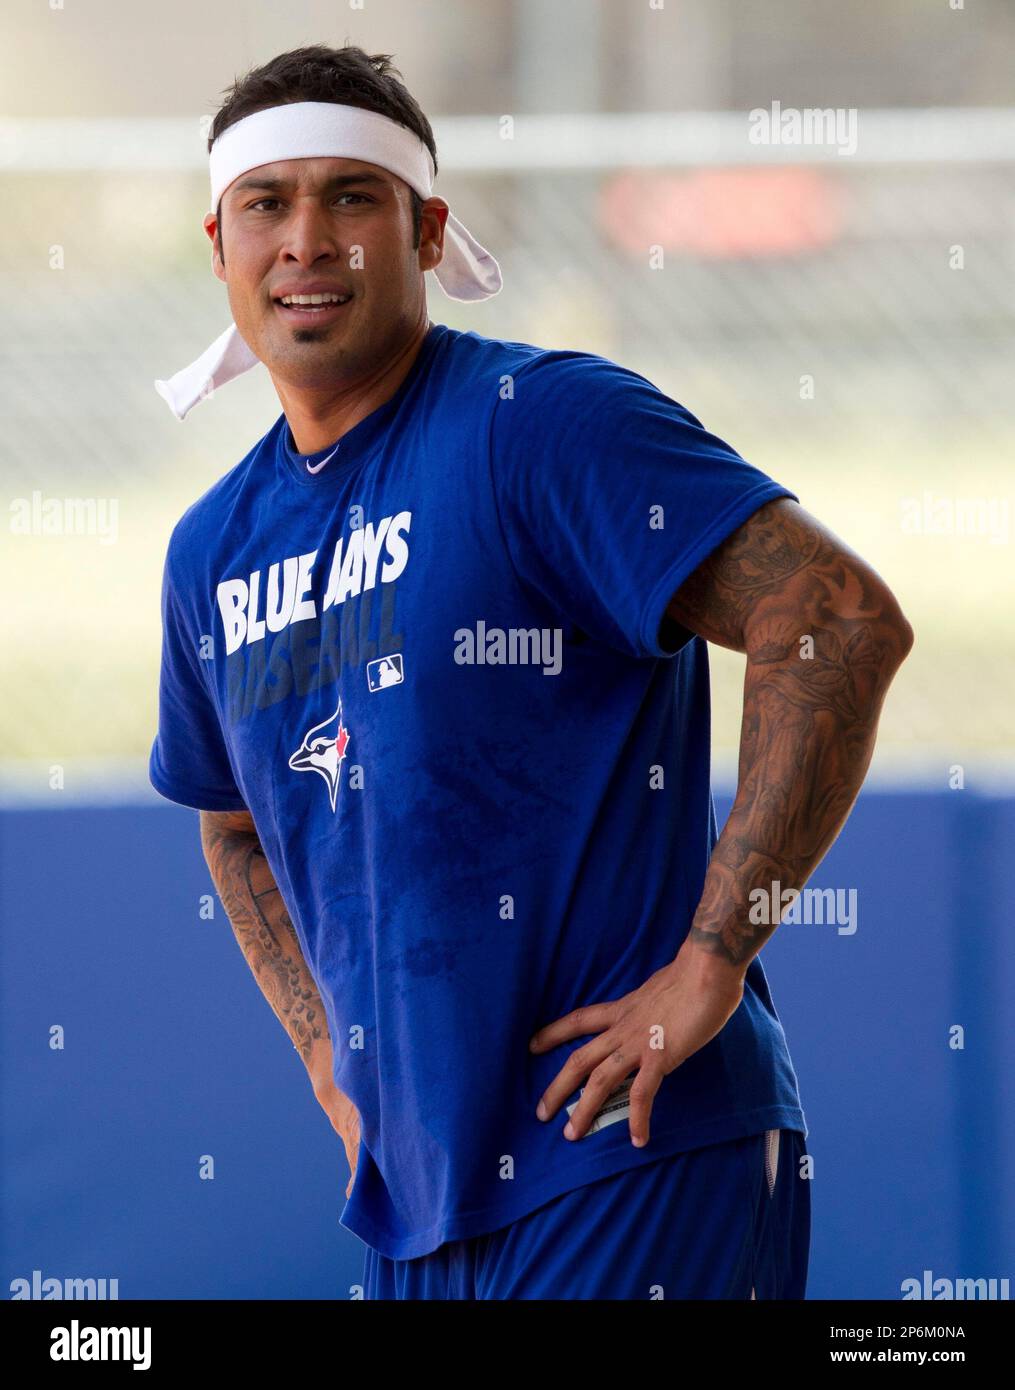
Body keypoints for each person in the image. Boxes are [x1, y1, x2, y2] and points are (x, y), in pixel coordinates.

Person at [148, 44, 913, 1300]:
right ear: (219, 243)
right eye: (265, 204)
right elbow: (231, 827)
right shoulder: (211, 551)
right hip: (417, 1195)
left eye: (352, 196)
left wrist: (713, 960)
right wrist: (329, 1064)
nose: (306, 239)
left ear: (428, 229)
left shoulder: (540, 423)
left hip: (630, 1152)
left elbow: (836, 619)